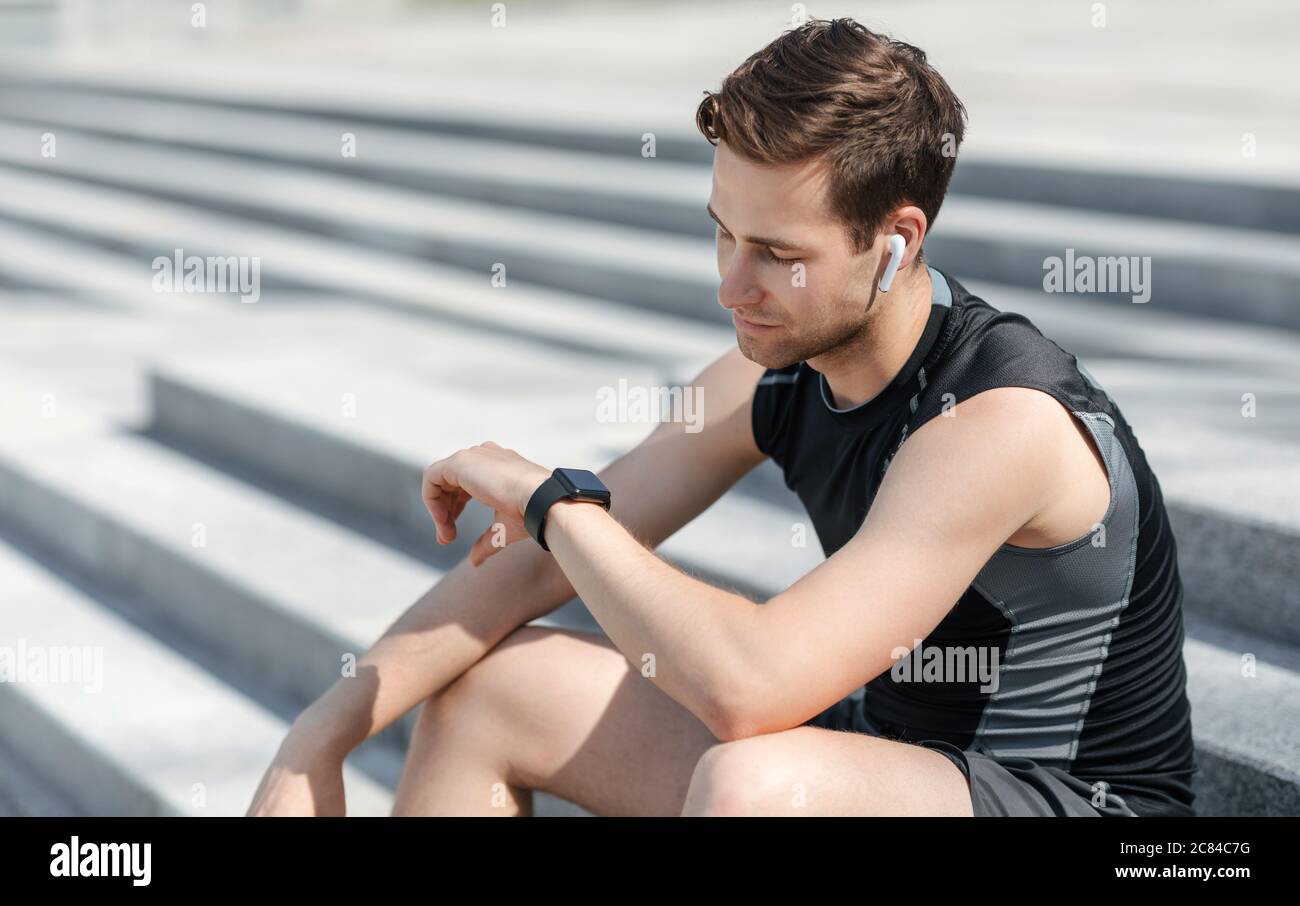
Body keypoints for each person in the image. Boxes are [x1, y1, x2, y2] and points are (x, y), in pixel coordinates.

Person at [248, 17, 1197, 817]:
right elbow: (534, 567)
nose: (731, 287)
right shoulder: (776, 370)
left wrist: (554, 501)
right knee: (494, 690)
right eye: (721, 231)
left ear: (895, 242)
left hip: (1079, 805)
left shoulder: (1001, 420)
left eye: (776, 251)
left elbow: (750, 688)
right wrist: (316, 740)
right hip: (890, 759)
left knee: (756, 781)